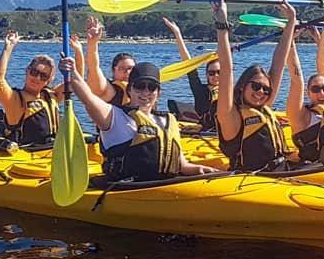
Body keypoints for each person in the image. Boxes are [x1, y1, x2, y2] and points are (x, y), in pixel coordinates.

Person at [60, 57, 217, 181]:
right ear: (129, 90)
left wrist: (201, 170)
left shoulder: (169, 121)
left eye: (152, 87)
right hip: (128, 188)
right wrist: (72, 72)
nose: (146, 92)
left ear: (158, 93)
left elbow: (182, 165)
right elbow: (88, 99)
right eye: (140, 86)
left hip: (166, 185)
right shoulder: (114, 116)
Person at [214, 0, 295, 172]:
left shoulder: (264, 106)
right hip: (253, 178)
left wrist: (290, 21)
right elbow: (226, 69)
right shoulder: (231, 116)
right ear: (243, 86)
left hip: (281, 171)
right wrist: (222, 23)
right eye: (256, 86)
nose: (261, 92)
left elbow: (279, 62)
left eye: (266, 89)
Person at [0, 30, 82, 146]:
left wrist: (78, 51)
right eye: (34, 72)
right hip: (28, 152)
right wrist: (8, 48)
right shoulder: (15, 100)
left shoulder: (51, 96)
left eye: (43, 76)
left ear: (49, 80)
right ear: (27, 71)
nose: (37, 78)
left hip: (52, 150)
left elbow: (76, 82)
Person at [163, 17, 220, 130]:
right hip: (205, 129)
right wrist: (177, 33)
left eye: (219, 72)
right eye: (212, 73)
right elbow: (189, 64)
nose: (216, 76)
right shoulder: (199, 90)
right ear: (207, 75)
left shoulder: (230, 91)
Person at [84, 16, 136, 108]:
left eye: (131, 68)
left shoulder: (145, 90)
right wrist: (92, 44)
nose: (127, 72)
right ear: (114, 70)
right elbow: (93, 68)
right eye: (122, 69)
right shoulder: (110, 91)